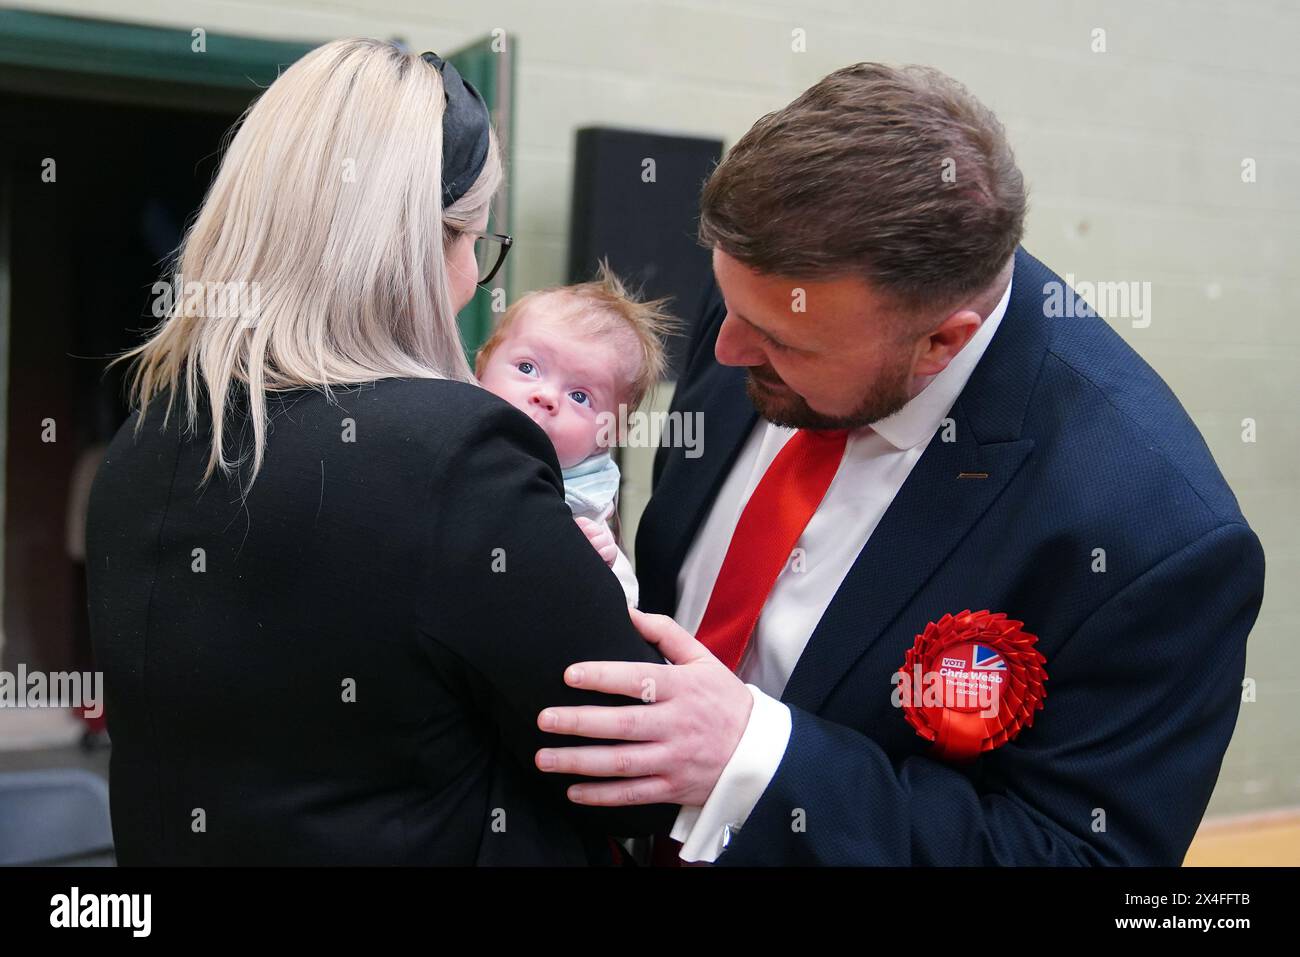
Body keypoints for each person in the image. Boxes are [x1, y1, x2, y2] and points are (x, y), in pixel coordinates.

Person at [534, 63, 1267, 866]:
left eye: (780, 343)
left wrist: (755, 759)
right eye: (731, 306)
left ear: (941, 341)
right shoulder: (771, 294)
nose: (723, 351)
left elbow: (1074, 853)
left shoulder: (1152, 536)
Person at [85, 38, 674, 865]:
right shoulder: (454, 454)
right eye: (473, 241)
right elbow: (632, 772)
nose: (473, 277)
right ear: (409, 248)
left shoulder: (150, 435)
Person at [476, 261, 676, 606]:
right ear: (481, 366)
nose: (547, 397)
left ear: (609, 434)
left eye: (580, 396)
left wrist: (600, 563)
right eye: (527, 368)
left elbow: (626, 604)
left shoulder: (587, 503)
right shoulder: (446, 431)